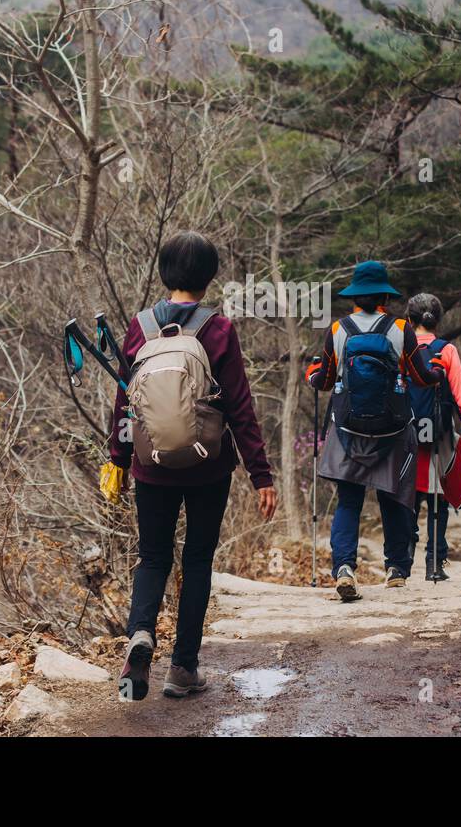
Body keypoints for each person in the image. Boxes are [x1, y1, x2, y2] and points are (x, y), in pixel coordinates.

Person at [101, 231, 277, 701]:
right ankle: (183, 668)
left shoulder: (140, 326)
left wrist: (117, 460)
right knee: (197, 560)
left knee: (154, 556)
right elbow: (239, 407)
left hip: (150, 463)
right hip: (208, 466)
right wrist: (261, 475)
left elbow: (125, 399)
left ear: (164, 273)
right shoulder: (218, 329)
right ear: (209, 276)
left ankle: (141, 634)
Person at [306, 260, 443, 599]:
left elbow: (323, 381)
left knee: (348, 501)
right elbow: (422, 377)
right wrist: (437, 371)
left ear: (354, 297)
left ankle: (344, 567)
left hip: (348, 431)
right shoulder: (400, 328)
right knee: (394, 499)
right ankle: (396, 569)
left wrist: (310, 372)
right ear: (384, 295)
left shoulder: (338, 331)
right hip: (393, 432)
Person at [405, 293, 461, 581]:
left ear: (410, 320)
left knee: (409, 500)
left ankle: (403, 563)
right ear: (437, 320)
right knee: (439, 500)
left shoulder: (402, 349)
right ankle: (434, 565)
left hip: (408, 435)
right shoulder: (446, 350)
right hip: (442, 434)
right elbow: (460, 394)